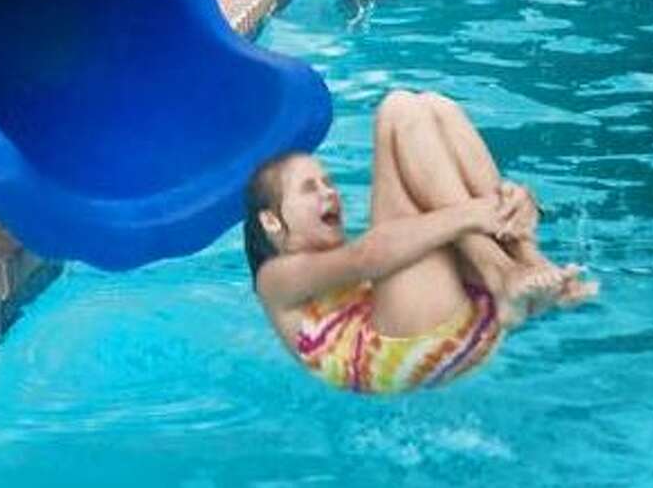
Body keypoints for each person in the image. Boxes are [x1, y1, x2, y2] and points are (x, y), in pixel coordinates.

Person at [245, 90, 595, 394]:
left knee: (434, 107)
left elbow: (420, 220)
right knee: (396, 109)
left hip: (453, 321)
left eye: (328, 182)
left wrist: (512, 201)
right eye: (310, 189)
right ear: (271, 220)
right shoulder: (275, 279)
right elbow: (369, 256)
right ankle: (501, 273)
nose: (330, 194)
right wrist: (481, 210)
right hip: (397, 355)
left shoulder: (344, 261)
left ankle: (527, 263)